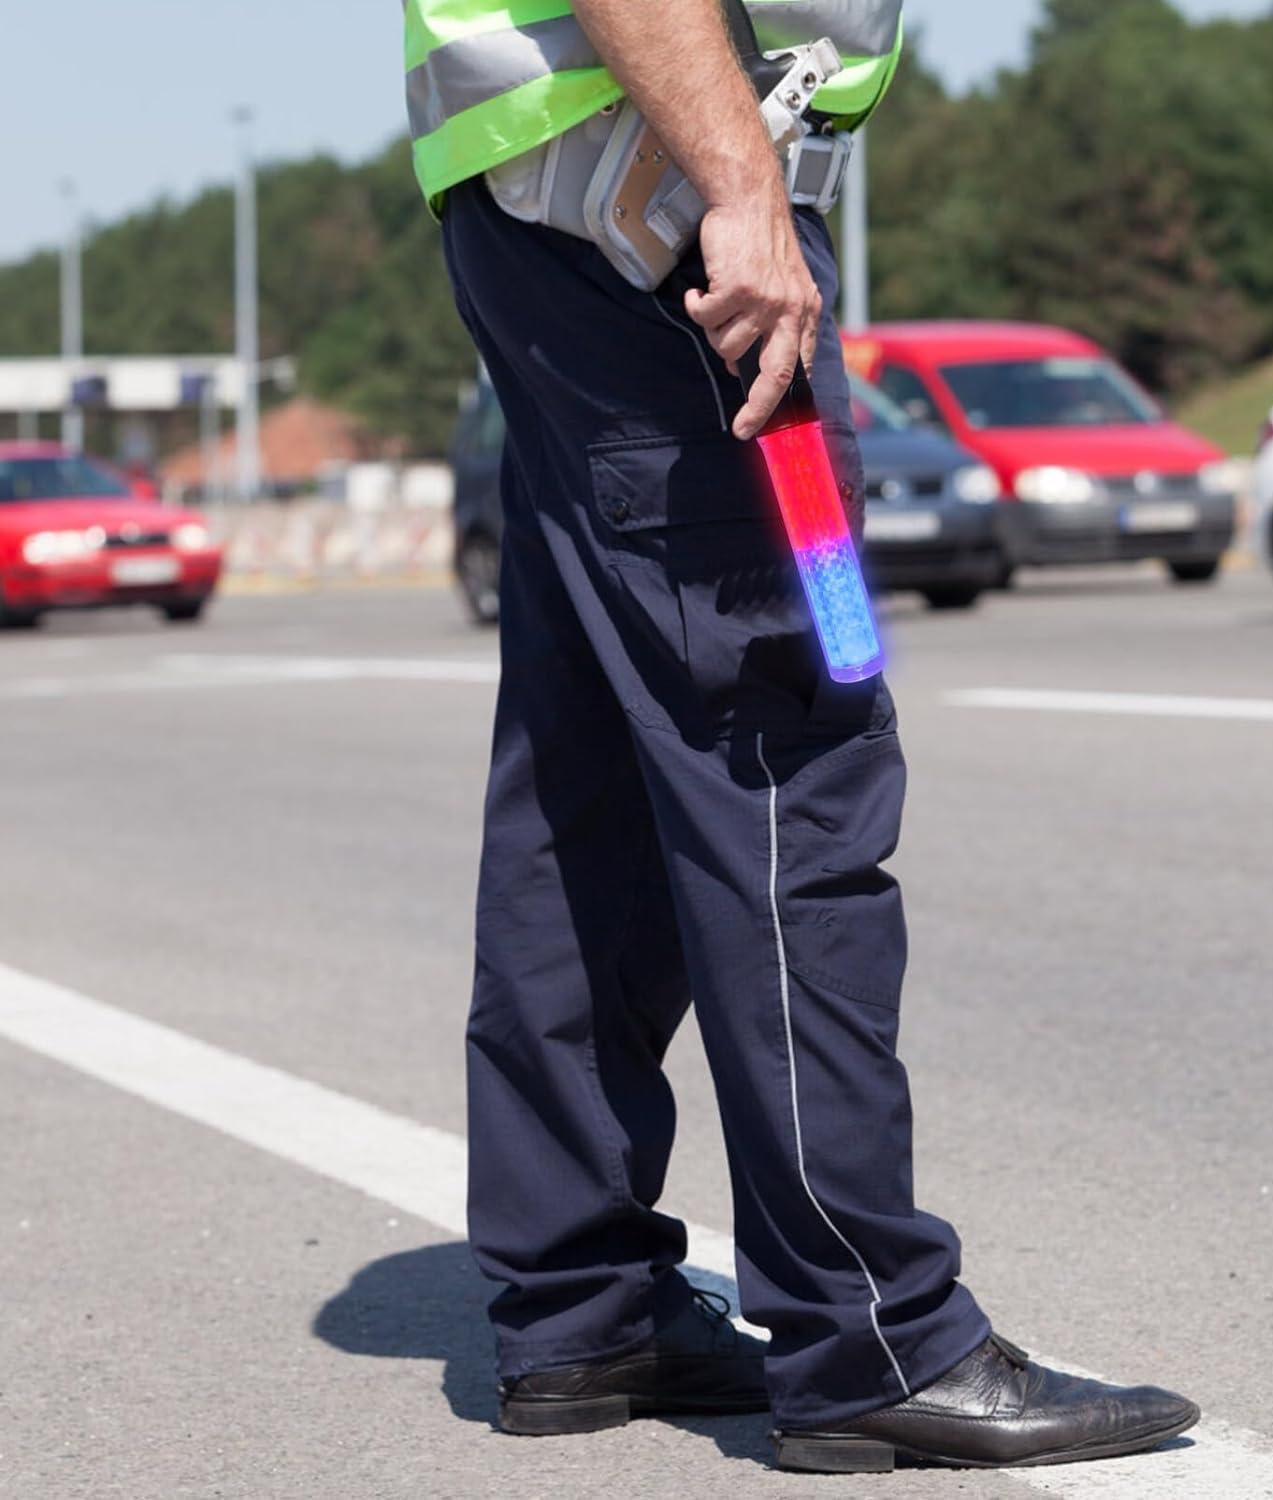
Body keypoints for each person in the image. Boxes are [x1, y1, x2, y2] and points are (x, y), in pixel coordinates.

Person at [406, 0, 1200, 1473]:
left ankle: (583, 1306)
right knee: (794, 745)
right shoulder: (717, 207)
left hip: (565, 216)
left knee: (586, 785)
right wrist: (747, 198)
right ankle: (872, 1332)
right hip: (677, 229)